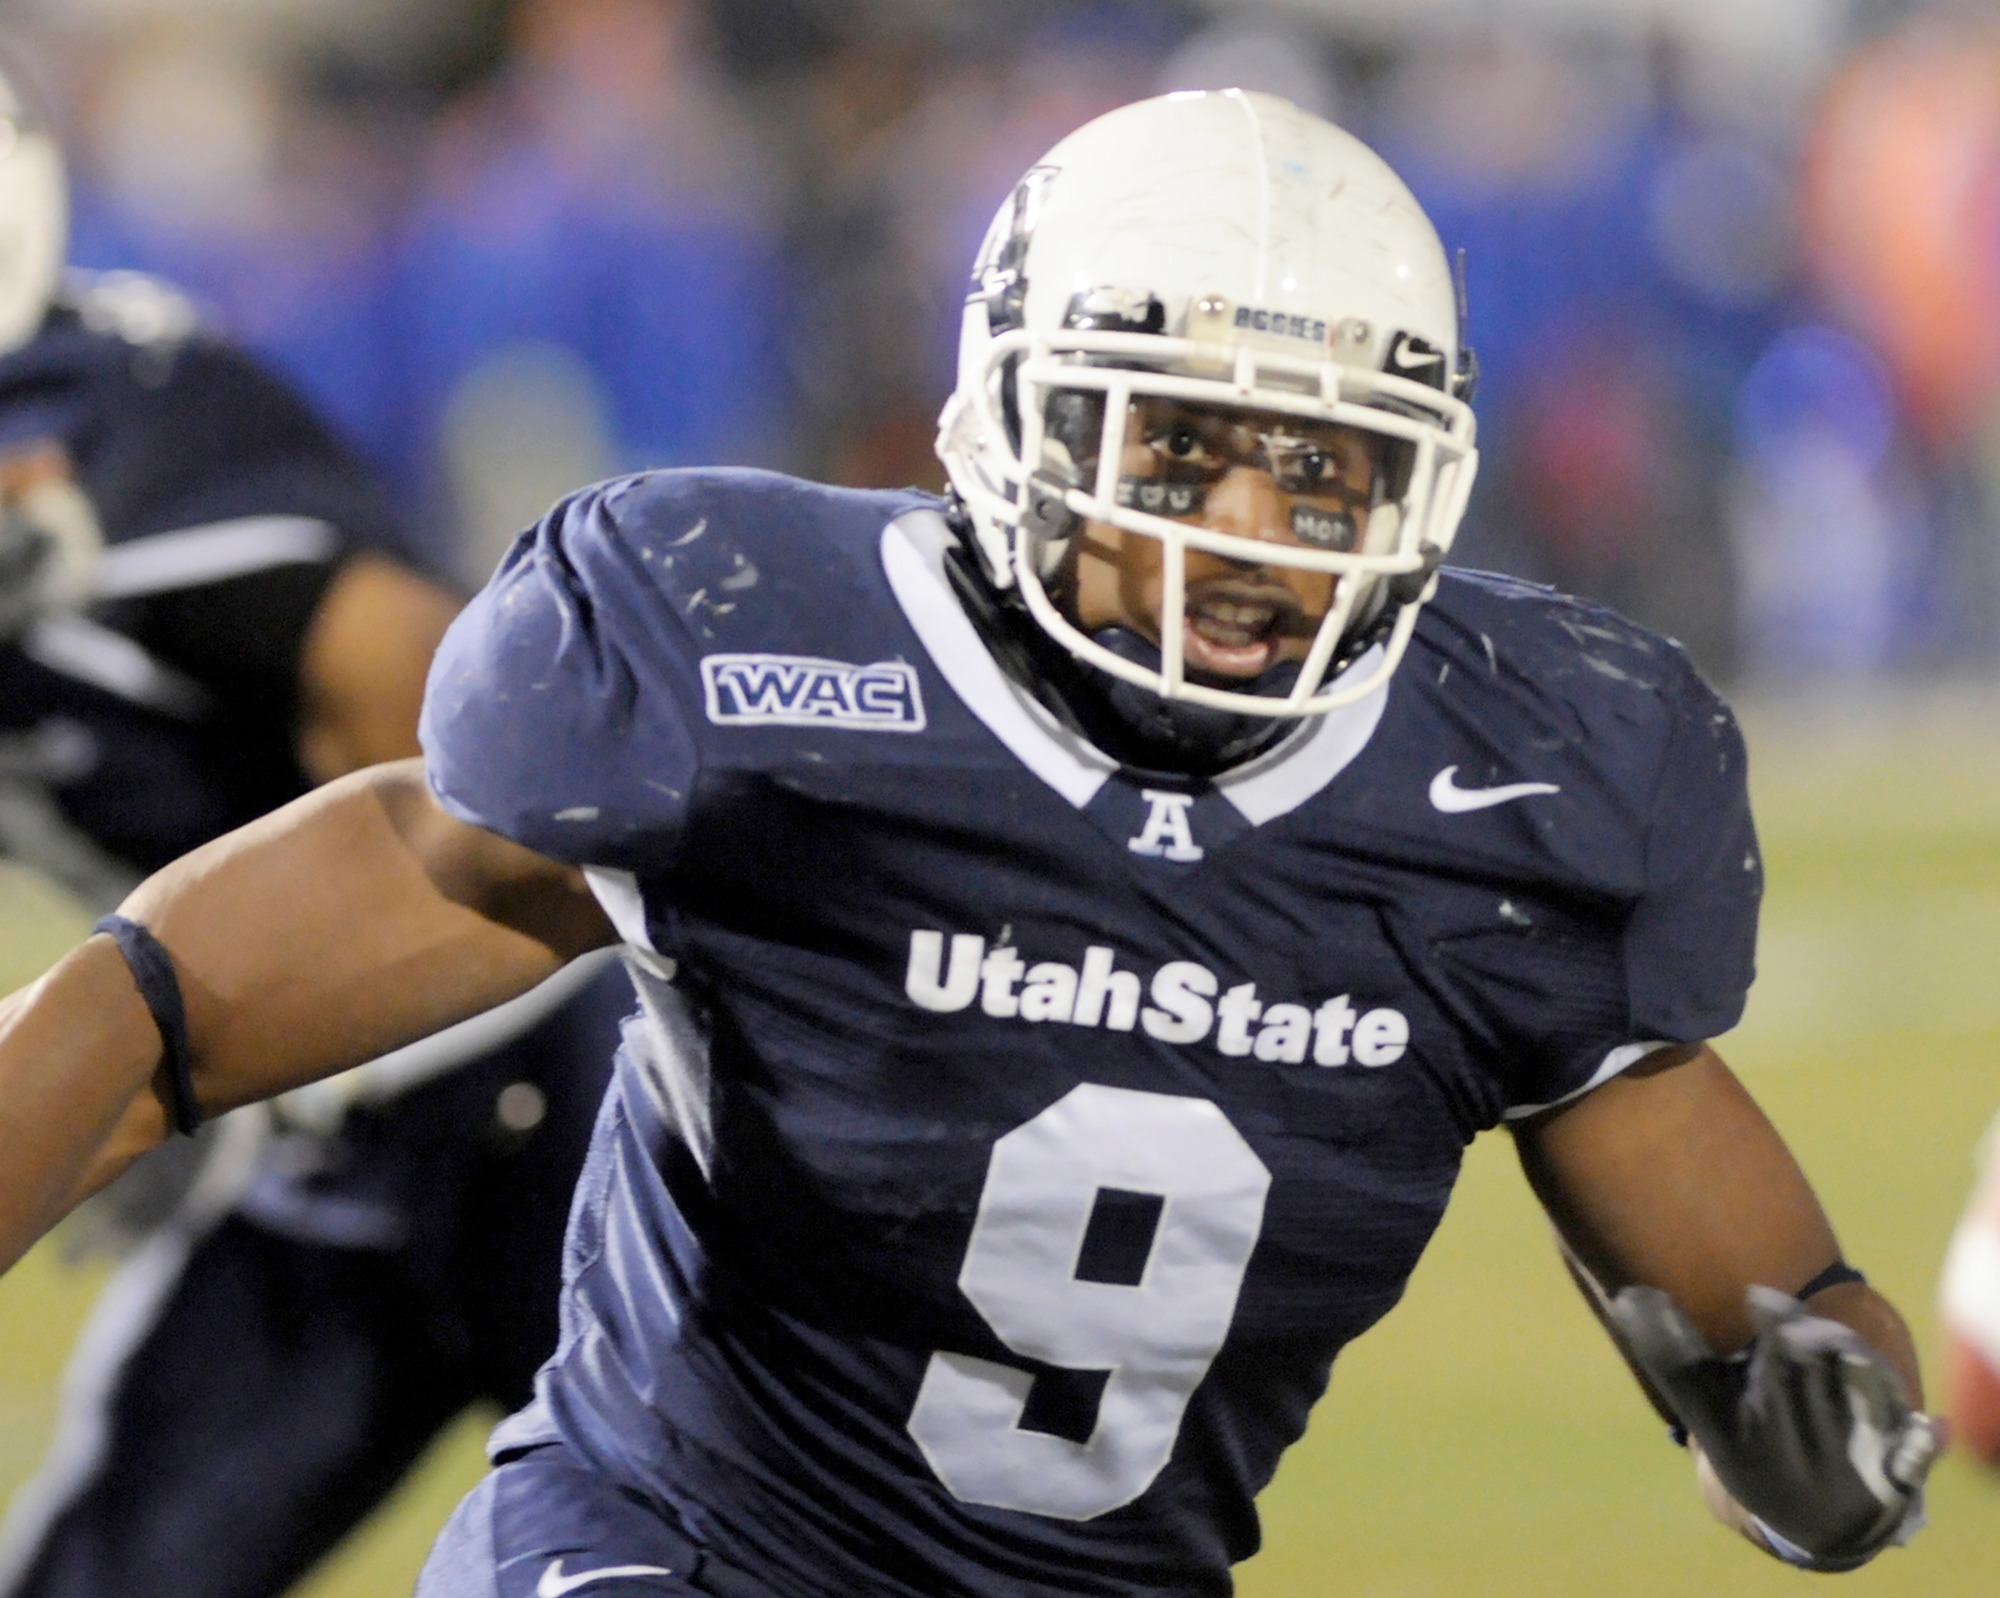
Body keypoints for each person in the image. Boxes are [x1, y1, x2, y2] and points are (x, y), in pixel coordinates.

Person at [0, 90, 1942, 1596]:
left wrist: (1821, 1436)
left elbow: (1782, 1343)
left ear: (1417, 485)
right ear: (1019, 419)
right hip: (672, 1548)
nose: (1239, 537)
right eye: (1175, 447)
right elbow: (171, 1005)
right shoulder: (764, 665)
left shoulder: (1517, 802)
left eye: (1318, 469)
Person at [0, 69, 627, 1598]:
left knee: (708, 1544)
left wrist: (222, 1027)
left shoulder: (120, 429)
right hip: (322, 1132)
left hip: (551, 1091)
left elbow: (487, 759)